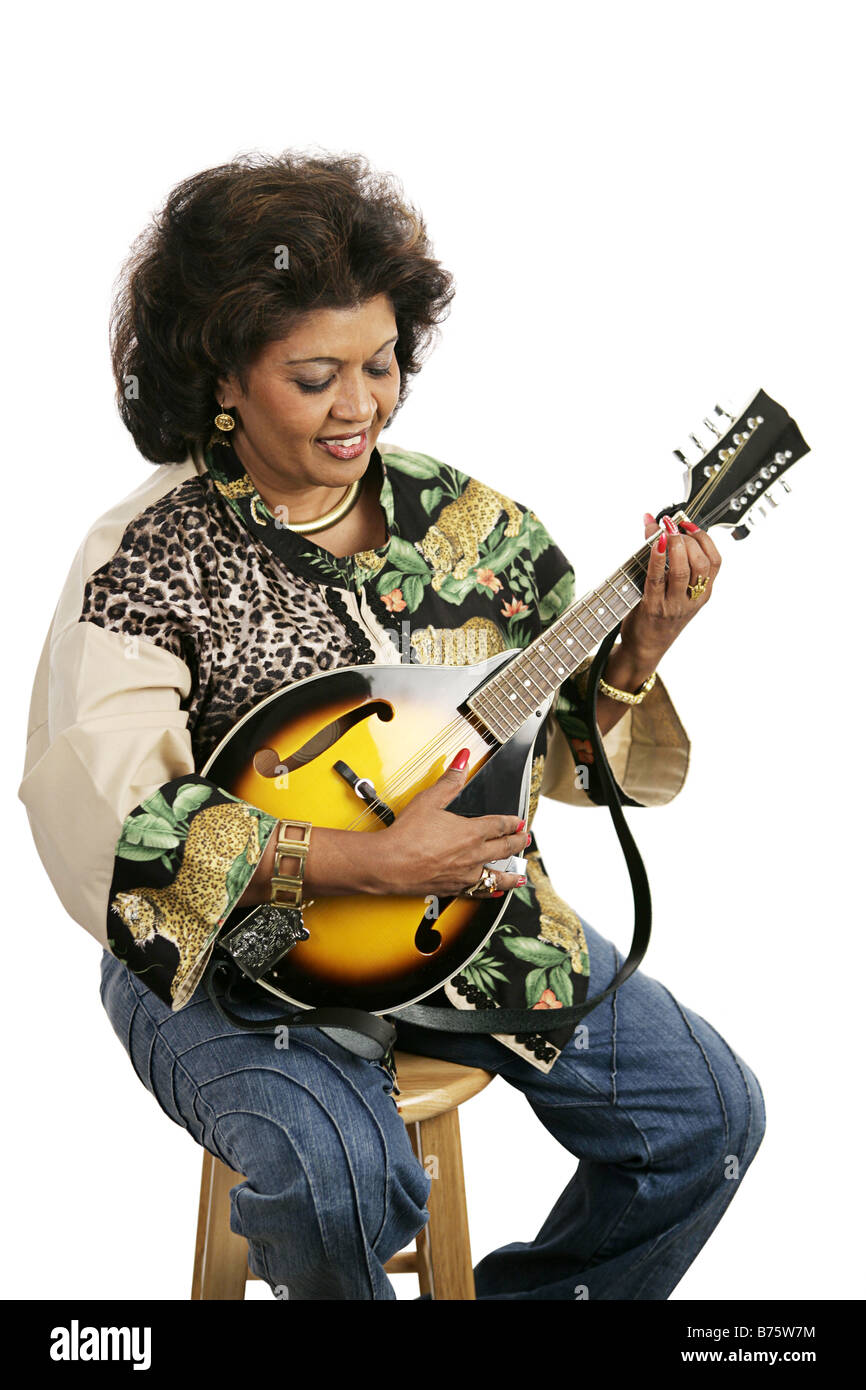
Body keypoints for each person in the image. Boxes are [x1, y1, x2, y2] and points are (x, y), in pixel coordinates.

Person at [19, 150, 764, 1300]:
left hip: (451, 927)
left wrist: (636, 654)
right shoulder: (149, 557)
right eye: (314, 374)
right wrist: (358, 857)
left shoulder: (469, 526)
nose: (358, 404)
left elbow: (539, 745)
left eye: (379, 364)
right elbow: (109, 822)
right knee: (343, 1185)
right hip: (224, 967)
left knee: (703, 1120)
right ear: (222, 373)